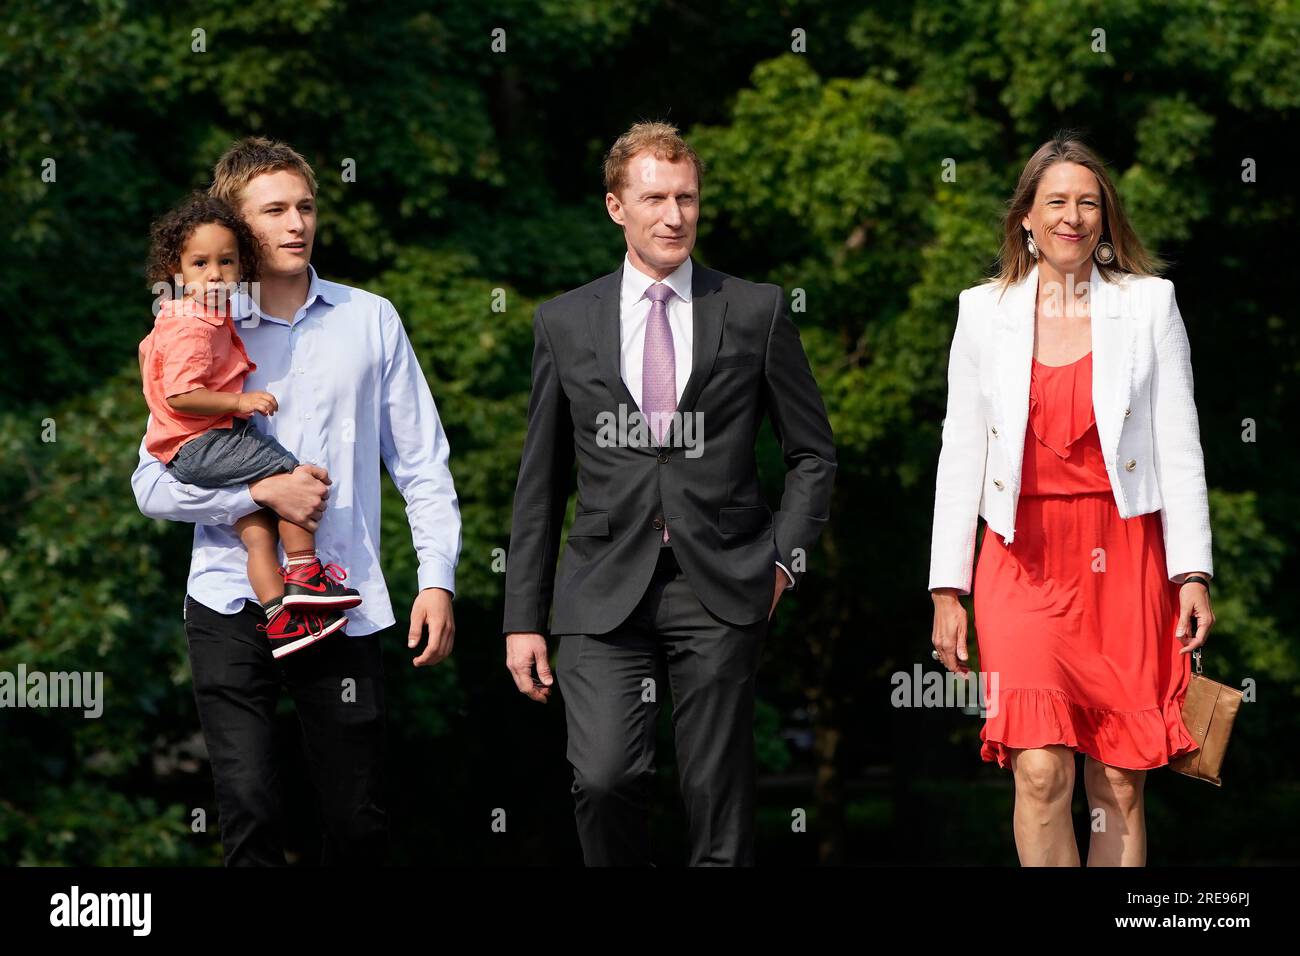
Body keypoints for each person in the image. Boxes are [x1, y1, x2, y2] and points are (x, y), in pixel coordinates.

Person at [503, 121, 836, 866]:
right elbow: (541, 480)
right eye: (655, 198)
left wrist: (782, 560)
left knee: (718, 798)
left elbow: (813, 453)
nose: (674, 215)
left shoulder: (755, 309)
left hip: (722, 582)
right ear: (616, 206)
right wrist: (522, 615)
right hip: (598, 586)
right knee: (603, 778)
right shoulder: (564, 321)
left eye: (686, 197)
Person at [131, 137, 461, 865]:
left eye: (305, 206)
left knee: (357, 820)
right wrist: (256, 494)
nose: (296, 224)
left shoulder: (370, 318)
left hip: (340, 603)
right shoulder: (200, 322)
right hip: (226, 603)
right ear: (237, 225)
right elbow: (151, 483)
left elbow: (422, 463)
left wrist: (436, 578)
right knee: (248, 811)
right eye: (274, 210)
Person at [928, 135, 1216, 866]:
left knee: (1118, 776)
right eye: (1055, 201)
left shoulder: (1150, 305)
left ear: (1105, 217)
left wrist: (1193, 573)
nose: (1073, 216)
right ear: (1025, 216)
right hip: (1018, 557)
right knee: (1039, 766)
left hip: (1124, 556)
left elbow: (1180, 444)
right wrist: (946, 589)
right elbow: (961, 452)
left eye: (1089, 202)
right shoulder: (981, 311)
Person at [139, 193, 360, 658]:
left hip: (194, 445)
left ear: (243, 265)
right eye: (200, 264)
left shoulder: (198, 316)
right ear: (175, 272)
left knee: (256, 529)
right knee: (289, 472)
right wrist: (241, 400)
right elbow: (182, 395)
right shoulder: (192, 323)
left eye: (226, 261)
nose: (215, 274)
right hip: (200, 443)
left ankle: (281, 616)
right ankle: (303, 571)